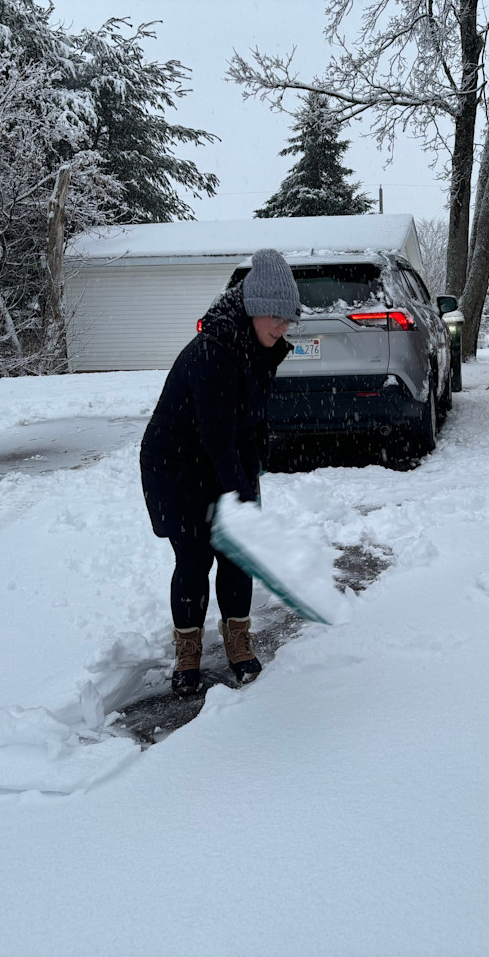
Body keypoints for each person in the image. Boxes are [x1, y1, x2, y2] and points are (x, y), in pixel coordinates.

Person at [139, 248, 299, 694]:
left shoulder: (257, 348)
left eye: (288, 319)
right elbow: (215, 437)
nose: (283, 327)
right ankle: (187, 653)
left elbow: (249, 424)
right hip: (176, 466)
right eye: (275, 317)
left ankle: (238, 644)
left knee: (236, 557)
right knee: (193, 560)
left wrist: (252, 478)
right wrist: (240, 495)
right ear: (252, 309)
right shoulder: (213, 352)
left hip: (218, 456)